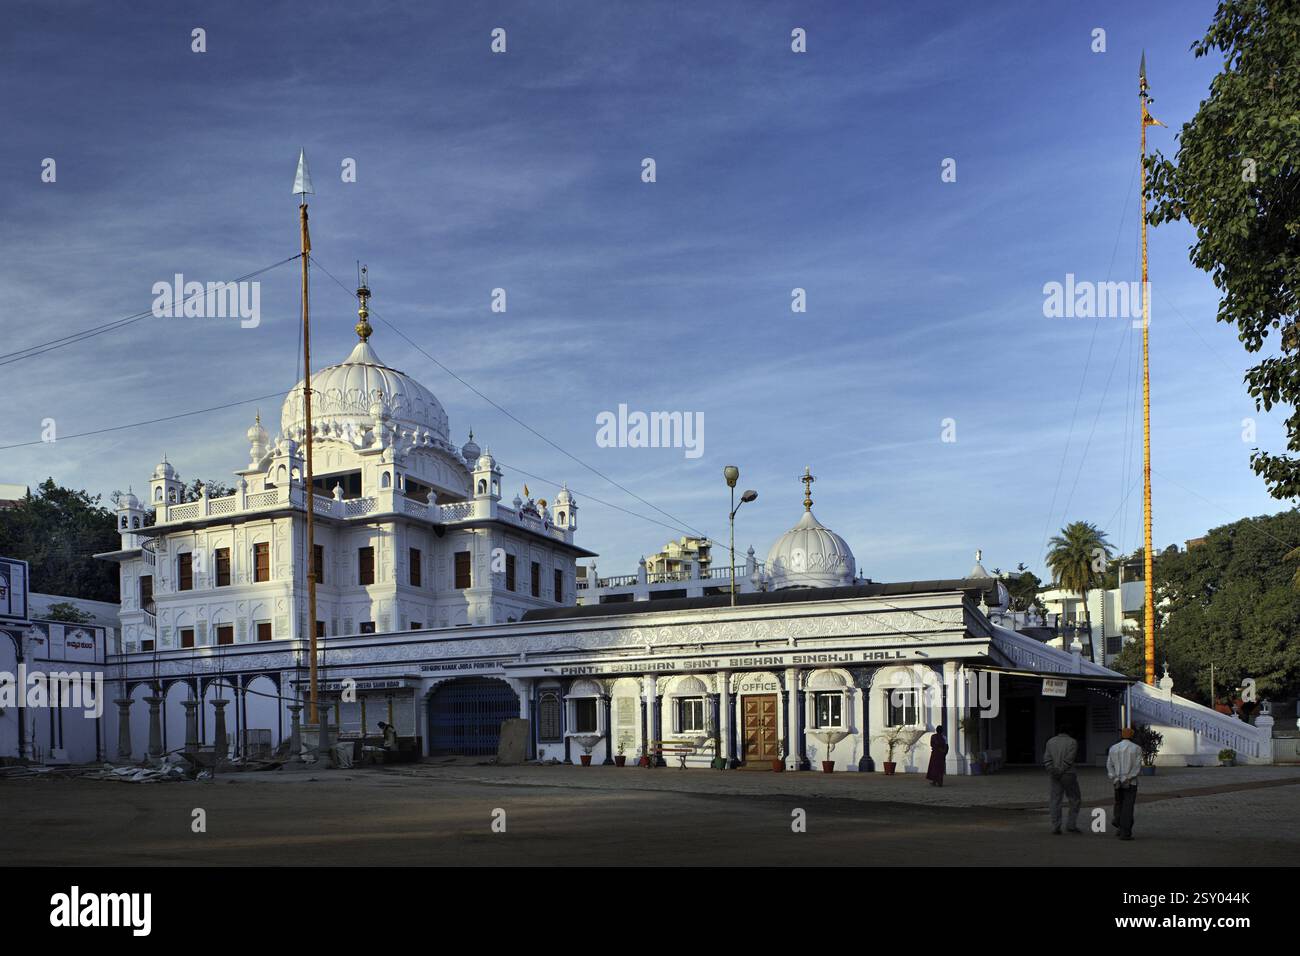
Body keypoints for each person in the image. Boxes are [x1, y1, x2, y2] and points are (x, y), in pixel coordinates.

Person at [1107, 727, 1143, 841]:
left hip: (1117, 781)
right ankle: (1125, 832)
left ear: (1122, 735)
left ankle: (1118, 822)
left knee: (1119, 803)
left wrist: (1115, 777)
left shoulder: (1113, 748)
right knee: (1128, 807)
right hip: (1130, 782)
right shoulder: (1137, 748)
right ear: (1131, 736)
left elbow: (1109, 765)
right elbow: (1137, 766)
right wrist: (1128, 778)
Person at [1043, 728, 1082, 834]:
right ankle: (1071, 824)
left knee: (1055, 800)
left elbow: (1047, 758)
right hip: (1069, 774)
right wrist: (1062, 769)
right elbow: (1070, 758)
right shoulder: (1072, 742)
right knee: (1074, 799)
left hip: (1054, 774)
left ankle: (1056, 826)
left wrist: (1052, 770)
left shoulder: (1050, 741)